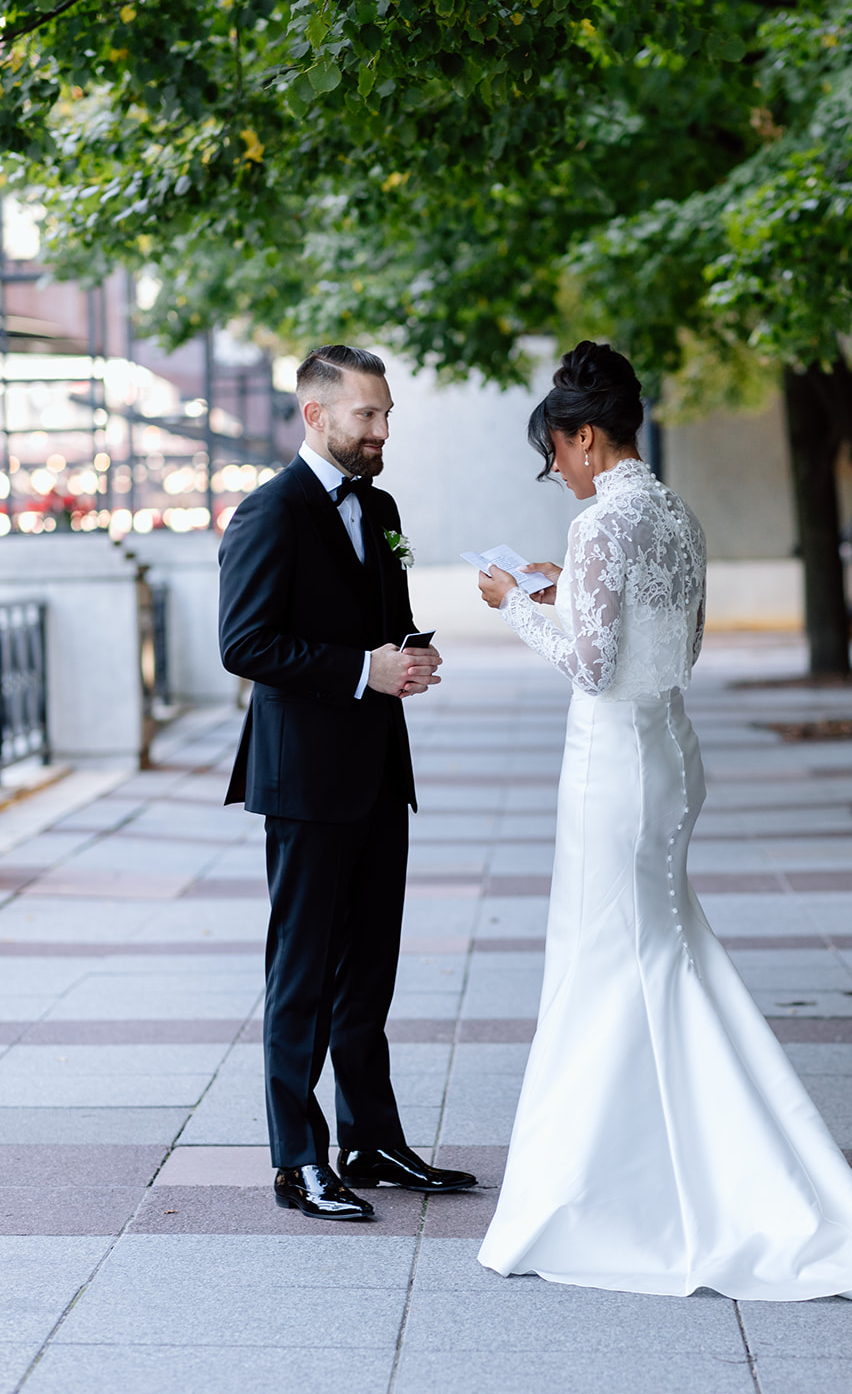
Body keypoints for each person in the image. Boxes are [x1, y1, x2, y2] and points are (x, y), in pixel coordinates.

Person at [473, 340, 852, 1304]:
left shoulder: (603, 527)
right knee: (659, 951)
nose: (553, 470)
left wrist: (517, 600)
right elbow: (663, 640)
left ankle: (598, 1191)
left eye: (553, 452)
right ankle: (698, 1154)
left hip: (614, 764)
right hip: (671, 752)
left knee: (609, 960)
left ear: (586, 439)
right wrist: (565, 590)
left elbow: (591, 667)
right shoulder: (675, 512)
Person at [218, 343, 475, 1220]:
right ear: (315, 416)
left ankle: (370, 1141)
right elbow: (244, 646)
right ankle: (299, 1159)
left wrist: (409, 651)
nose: (381, 430)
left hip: (377, 773)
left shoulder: (384, 505)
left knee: (370, 971)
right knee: (300, 975)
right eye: (367, 415)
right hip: (302, 781)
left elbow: (384, 620)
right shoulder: (268, 513)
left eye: (387, 414)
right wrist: (364, 670)